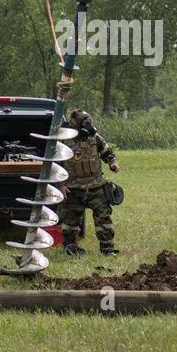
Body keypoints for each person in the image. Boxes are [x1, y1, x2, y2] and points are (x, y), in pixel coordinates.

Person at [59, 109, 120, 257]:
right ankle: (70, 248)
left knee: (103, 218)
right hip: (73, 188)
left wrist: (113, 163)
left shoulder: (94, 137)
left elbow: (106, 151)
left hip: (96, 186)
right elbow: (57, 163)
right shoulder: (63, 140)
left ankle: (107, 250)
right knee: (70, 222)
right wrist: (61, 184)